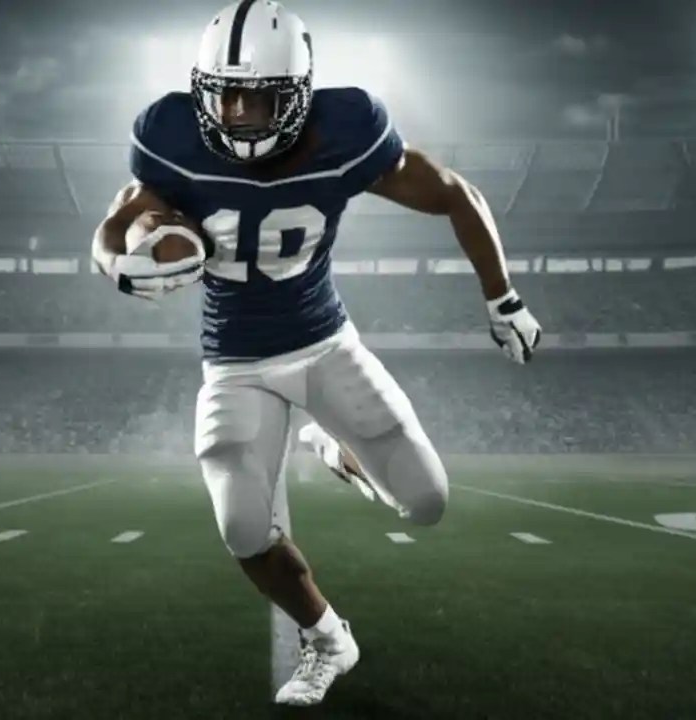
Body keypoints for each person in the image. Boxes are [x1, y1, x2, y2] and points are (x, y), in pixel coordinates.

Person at [91, 0, 541, 706]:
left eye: (259, 99)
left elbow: (456, 194)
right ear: (200, 88)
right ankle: (330, 639)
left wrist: (503, 298)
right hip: (234, 361)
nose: (237, 114)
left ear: (299, 95)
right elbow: (119, 220)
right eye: (224, 95)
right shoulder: (168, 133)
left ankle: (334, 447)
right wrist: (118, 262)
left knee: (426, 503)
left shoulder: (348, 129)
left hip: (325, 343)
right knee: (241, 525)